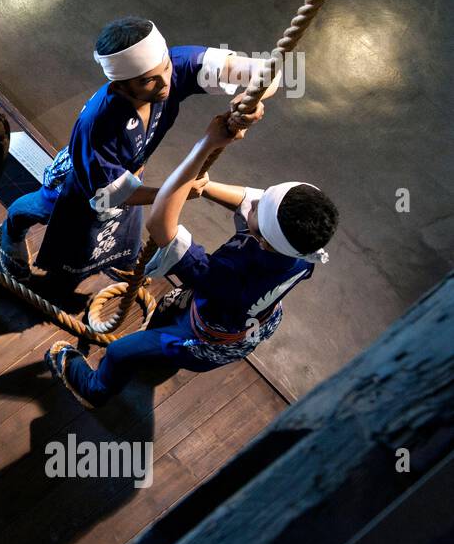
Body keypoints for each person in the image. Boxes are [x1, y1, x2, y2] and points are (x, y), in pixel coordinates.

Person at [45, 114, 338, 409]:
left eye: (260, 211)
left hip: (207, 337)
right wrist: (206, 188)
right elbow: (252, 202)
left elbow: (160, 225)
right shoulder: (301, 251)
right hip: (246, 319)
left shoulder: (226, 275)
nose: (256, 201)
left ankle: (96, 390)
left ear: (262, 240)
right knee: (168, 310)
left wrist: (205, 146)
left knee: (121, 352)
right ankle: (158, 354)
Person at [0, 17, 274, 301]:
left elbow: (268, 72)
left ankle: (119, 260)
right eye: (147, 81)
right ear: (119, 87)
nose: (165, 83)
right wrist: (172, 193)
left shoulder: (173, 66)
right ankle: (11, 228)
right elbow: (109, 197)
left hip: (129, 172)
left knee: (125, 224)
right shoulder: (98, 127)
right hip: (84, 183)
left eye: (165, 68)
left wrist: (252, 100)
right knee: (49, 207)